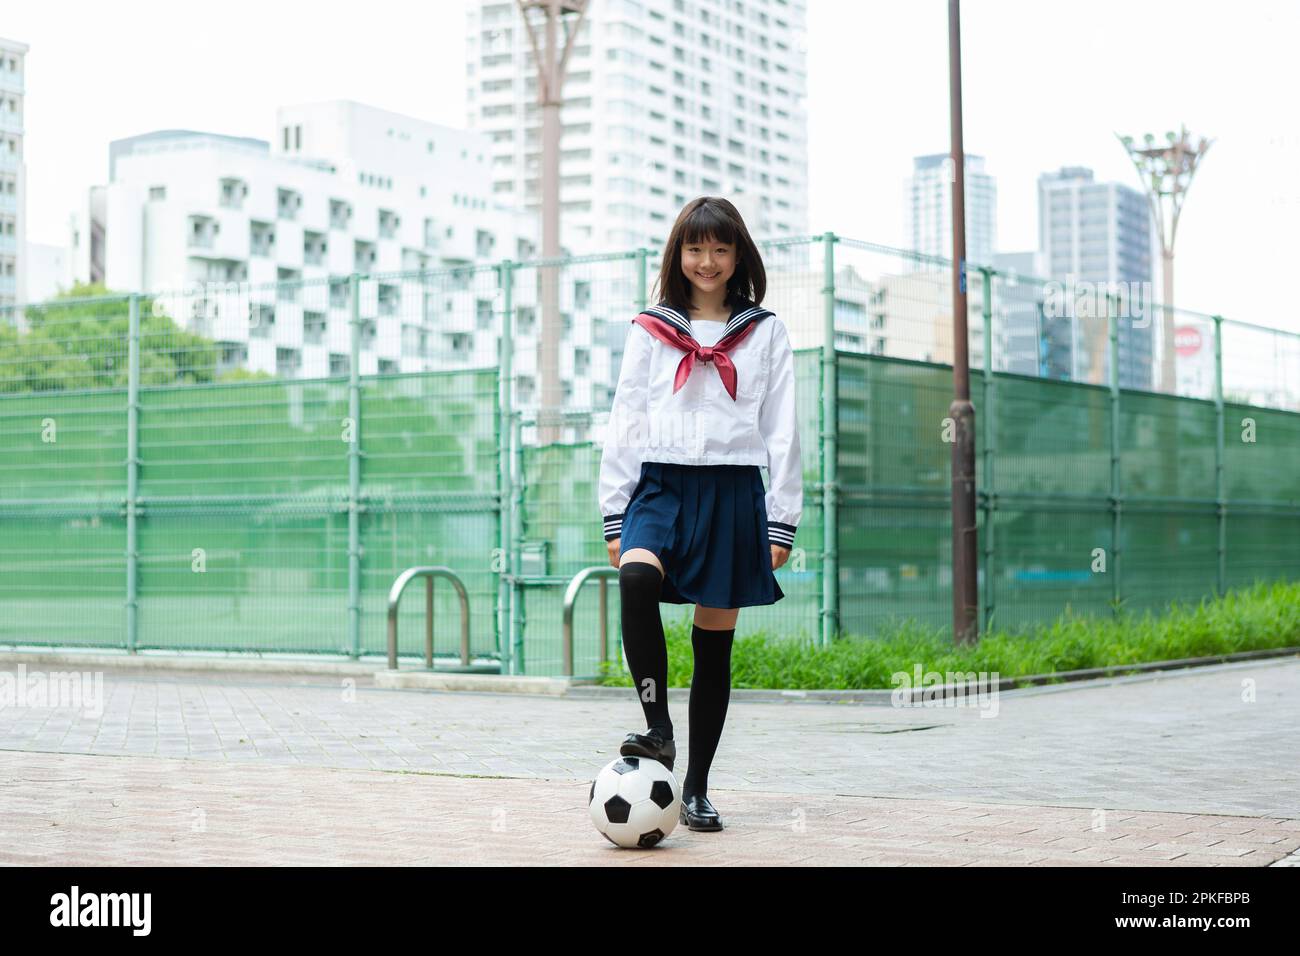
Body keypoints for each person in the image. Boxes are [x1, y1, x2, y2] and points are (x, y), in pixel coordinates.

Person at [597, 196, 803, 832]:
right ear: (677, 256)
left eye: (719, 248)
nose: (707, 261)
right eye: (695, 248)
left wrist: (781, 518)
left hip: (733, 492)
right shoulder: (649, 329)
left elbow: (784, 427)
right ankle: (657, 728)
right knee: (636, 578)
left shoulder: (765, 331)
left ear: (738, 254)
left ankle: (696, 788)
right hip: (659, 486)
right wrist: (613, 511)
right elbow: (627, 415)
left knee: (714, 647)